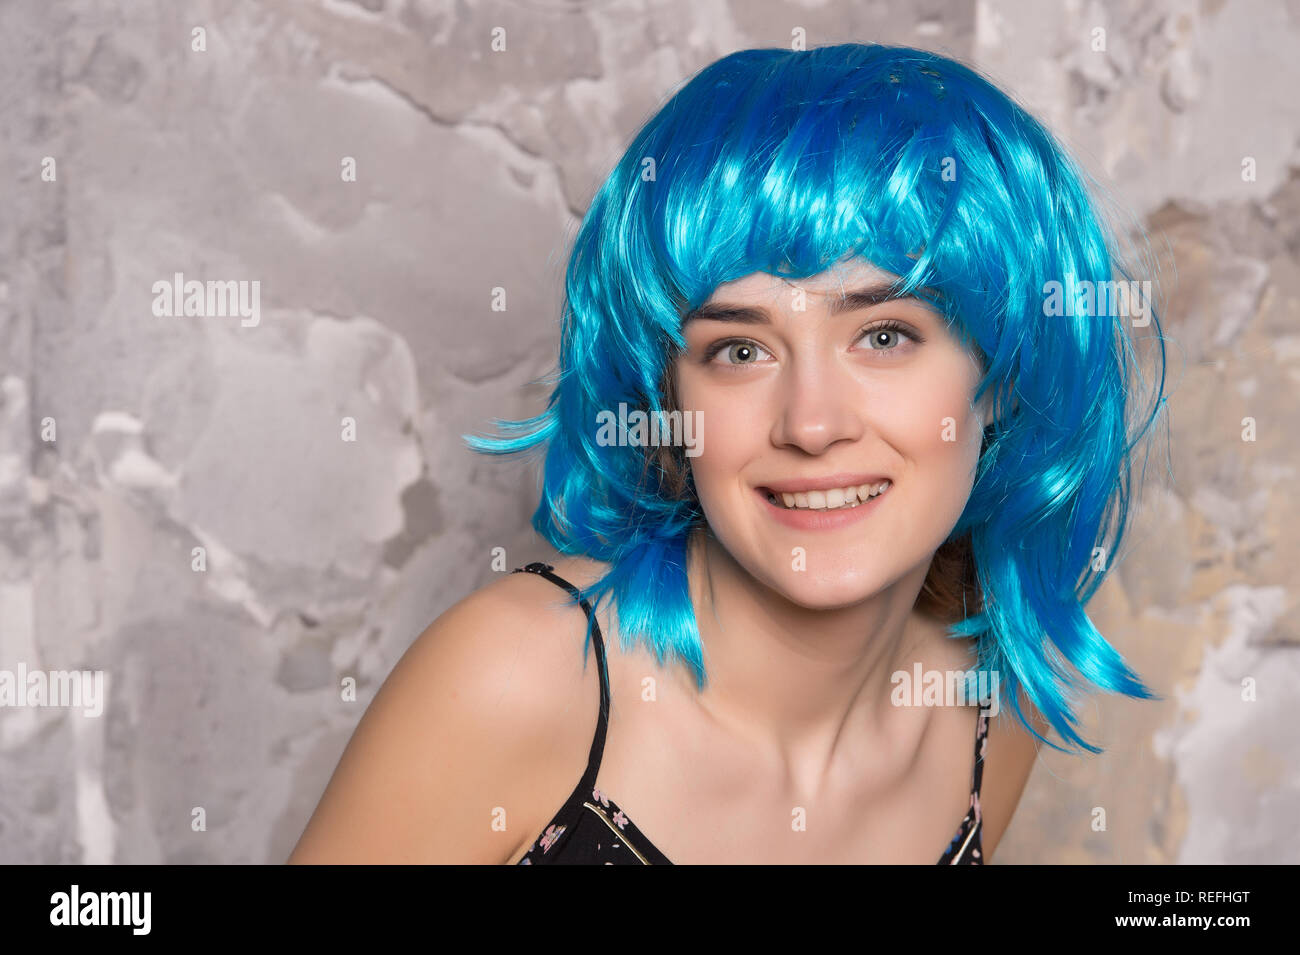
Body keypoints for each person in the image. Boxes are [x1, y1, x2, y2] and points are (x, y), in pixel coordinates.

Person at [289, 42, 1167, 865]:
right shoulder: (514, 680)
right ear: (670, 399)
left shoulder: (991, 711)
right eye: (739, 351)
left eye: (885, 334)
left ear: (1004, 375)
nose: (811, 424)